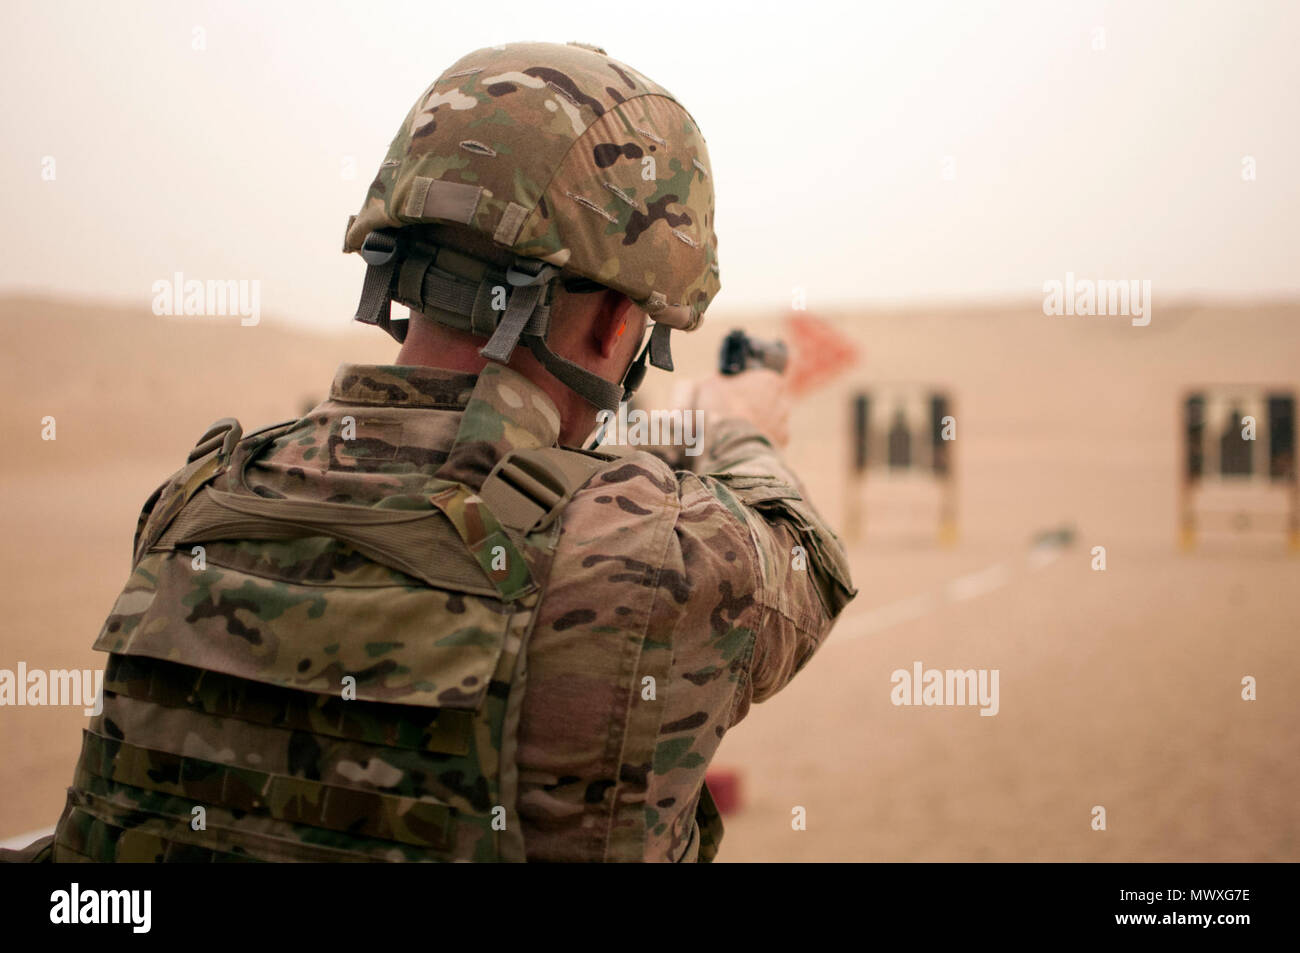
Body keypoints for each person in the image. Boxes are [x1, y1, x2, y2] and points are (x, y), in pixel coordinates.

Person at [29, 41, 855, 863]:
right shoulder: (647, 554)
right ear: (615, 324)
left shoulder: (192, 504)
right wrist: (733, 422)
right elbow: (806, 560)